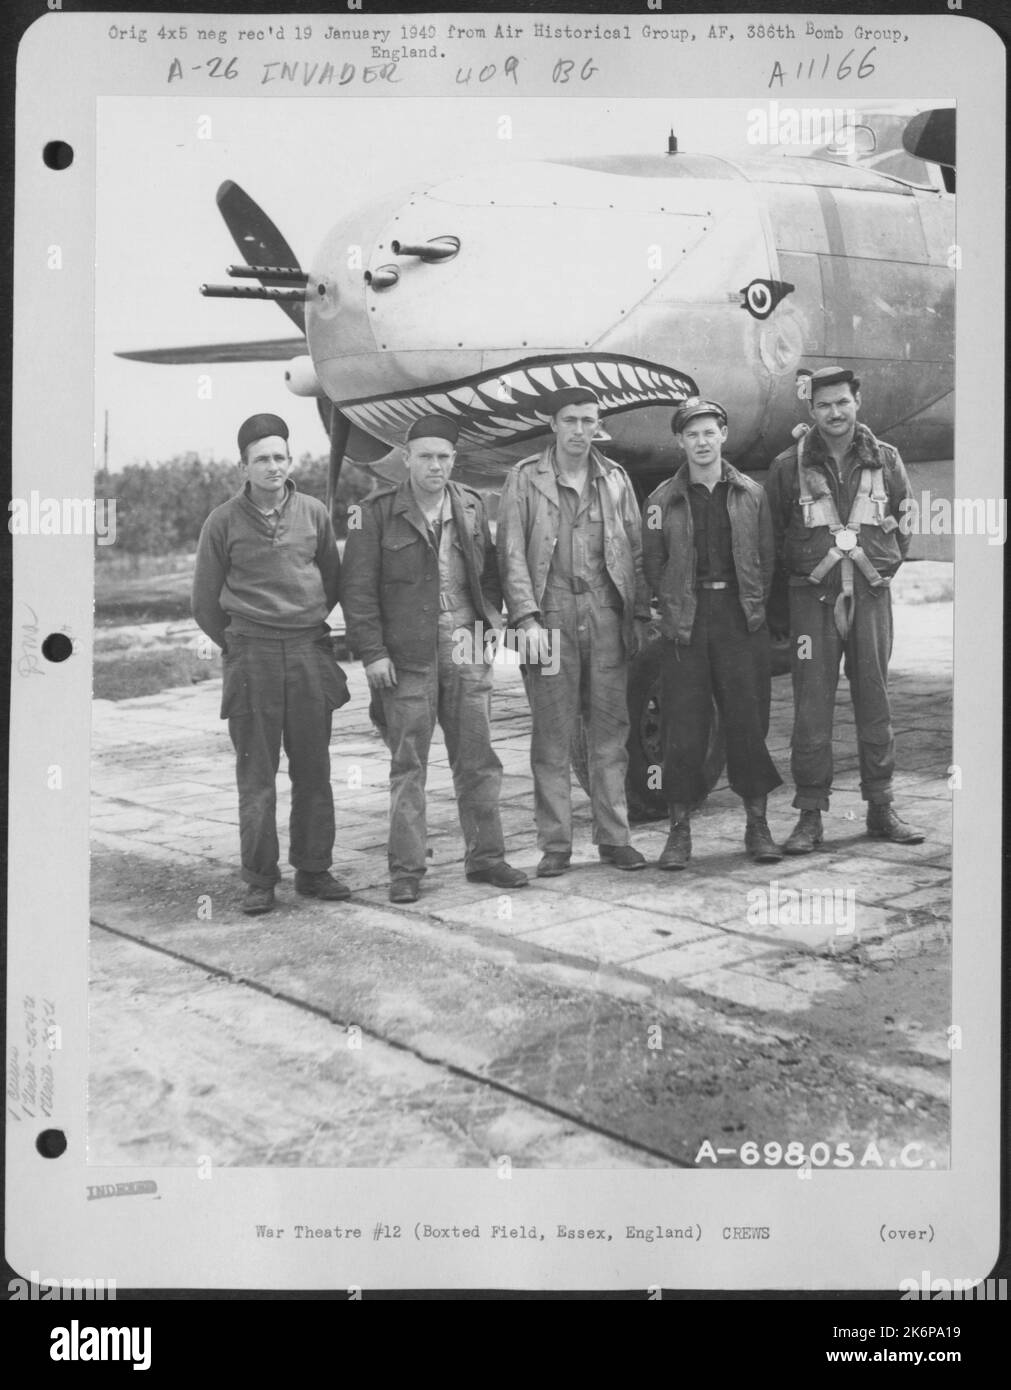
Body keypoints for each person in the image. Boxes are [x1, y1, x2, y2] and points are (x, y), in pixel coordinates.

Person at [342, 414, 527, 904]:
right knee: (409, 765)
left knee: (479, 758)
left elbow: (486, 574)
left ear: (454, 459)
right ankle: (406, 870)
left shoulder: (468, 504)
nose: (435, 465)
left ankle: (486, 858)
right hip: (407, 655)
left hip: (466, 644)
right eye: (425, 456)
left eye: (444, 456)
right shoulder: (375, 511)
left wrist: (487, 631)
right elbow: (357, 591)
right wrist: (373, 653)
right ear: (406, 459)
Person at [192, 412, 350, 915]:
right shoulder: (221, 521)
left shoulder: (314, 513)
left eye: (280, 457)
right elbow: (204, 602)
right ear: (243, 465)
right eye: (262, 459)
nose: (273, 467)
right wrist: (242, 643)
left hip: (307, 653)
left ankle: (314, 869)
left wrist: (301, 624)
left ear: (291, 460)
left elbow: (331, 579)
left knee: (313, 771)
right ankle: (261, 879)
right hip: (252, 658)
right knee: (256, 777)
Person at [765, 365, 924, 852]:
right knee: (811, 709)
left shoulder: (887, 461)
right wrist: (779, 615)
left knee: (875, 701)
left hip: (871, 597)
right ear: (811, 411)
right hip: (810, 600)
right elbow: (771, 540)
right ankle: (809, 815)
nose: (834, 413)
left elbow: (904, 519)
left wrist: (881, 570)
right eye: (823, 405)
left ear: (858, 402)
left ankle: (880, 807)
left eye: (842, 402)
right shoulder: (786, 466)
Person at [496, 386, 650, 877]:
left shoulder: (617, 479)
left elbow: (635, 549)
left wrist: (640, 614)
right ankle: (556, 845)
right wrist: (526, 618)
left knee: (610, 737)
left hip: (606, 614)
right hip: (551, 616)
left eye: (588, 420)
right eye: (570, 420)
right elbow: (512, 555)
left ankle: (615, 839)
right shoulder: (524, 479)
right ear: (554, 425)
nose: (580, 430)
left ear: (596, 425)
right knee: (552, 739)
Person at [642, 398, 782, 868]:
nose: (701, 442)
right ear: (680, 441)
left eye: (709, 432)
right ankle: (678, 834)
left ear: (723, 435)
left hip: (739, 621)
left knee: (747, 725)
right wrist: (671, 612)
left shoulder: (752, 495)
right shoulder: (660, 501)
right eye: (692, 435)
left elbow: (765, 558)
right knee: (684, 730)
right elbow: (653, 564)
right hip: (687, 623)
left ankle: (757, 826)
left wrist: (752, 612)